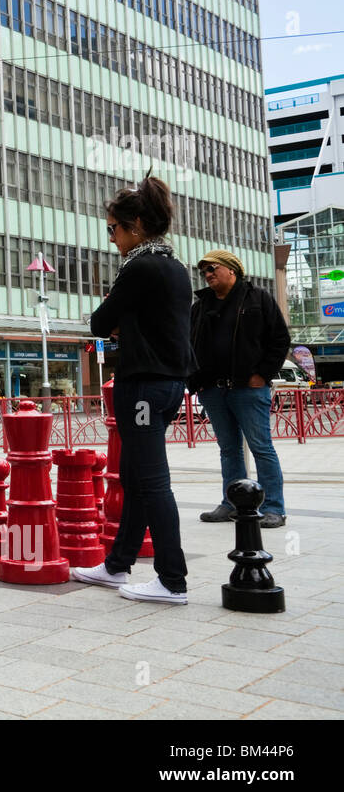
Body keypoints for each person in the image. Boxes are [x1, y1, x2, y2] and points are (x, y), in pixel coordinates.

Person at [74, 175, 196, 605]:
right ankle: (117, 564)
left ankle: (172, 579)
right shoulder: (175, 266)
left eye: (114, 229)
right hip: (168, 383)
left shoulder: (140, 267)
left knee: (152, 481)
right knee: (135, 476)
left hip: (144, 384)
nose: (111, 239)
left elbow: (99, 322)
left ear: (137, 225)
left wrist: (119, 320)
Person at [190, 250, 291, 528]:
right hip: (212, 389)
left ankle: (274, 507)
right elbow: (189, 344)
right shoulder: (200, 306)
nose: (208, 274)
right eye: (204, 271)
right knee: (228, 449)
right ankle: (232, 502)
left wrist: (262, 374)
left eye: (212, 268)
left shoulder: (258, 299)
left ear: (232, 270)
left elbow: (280, 340)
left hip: (248, 387)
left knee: (261, 447)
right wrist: (195, 379)